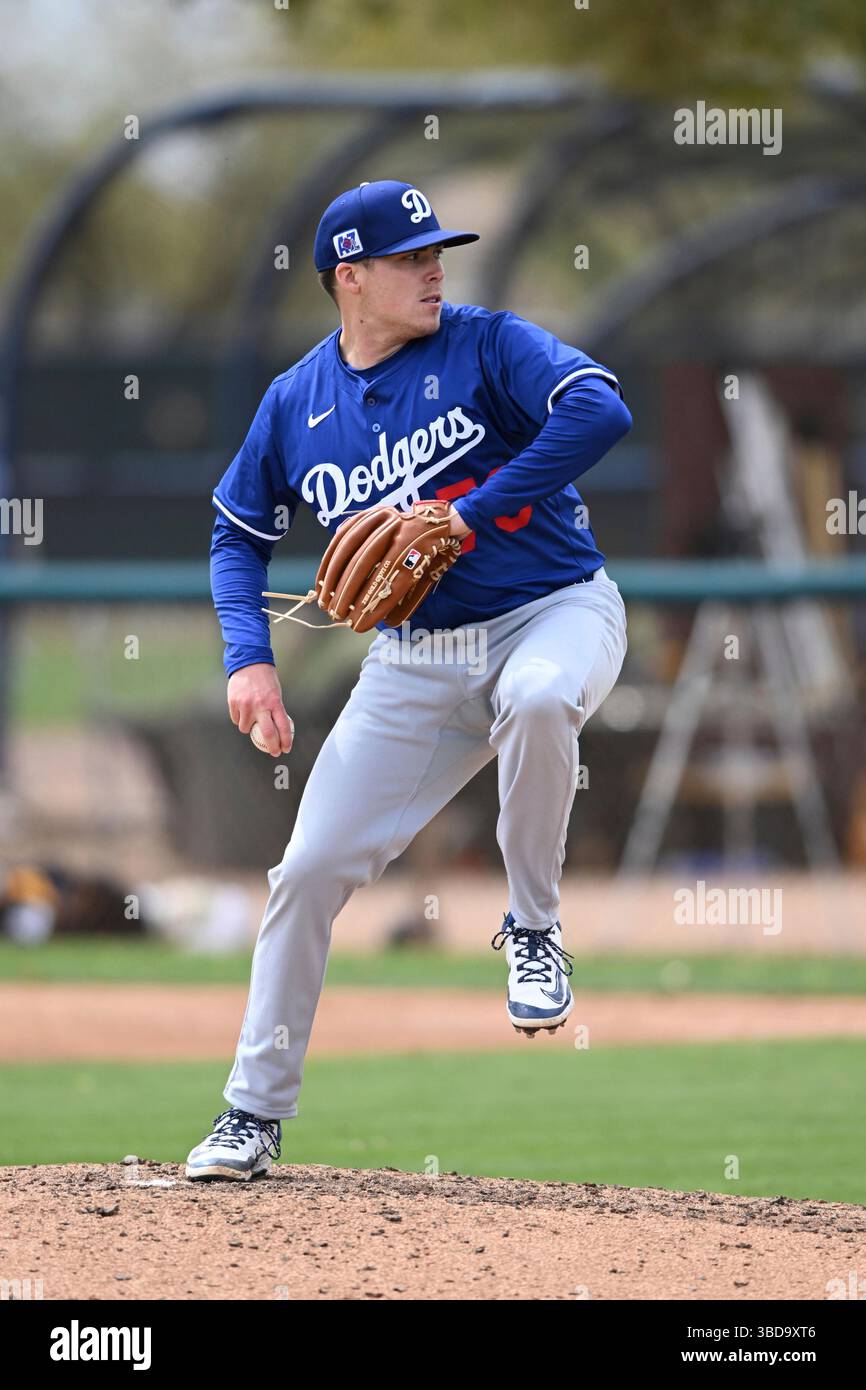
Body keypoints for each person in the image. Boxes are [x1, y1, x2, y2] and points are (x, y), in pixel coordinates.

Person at [185, 180, 631, 1180]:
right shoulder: (297, 402)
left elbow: (600, 409)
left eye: (437, 251)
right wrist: (246, 657)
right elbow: (235, 530)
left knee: (541, 697)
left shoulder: (486, 343)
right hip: (416, 659)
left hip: (554, 609)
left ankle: (531, 928)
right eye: (409, 256)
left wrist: (470, 514)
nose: (434, 268)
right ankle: (251, 1113)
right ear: (350, 279)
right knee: (305, 873)